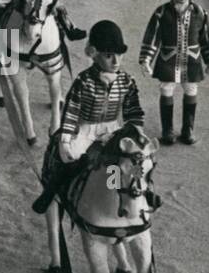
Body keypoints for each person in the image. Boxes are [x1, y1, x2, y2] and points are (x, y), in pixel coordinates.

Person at [31, 20, 144, 214]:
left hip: (112, 129)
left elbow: (133, 111)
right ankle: (53, 192)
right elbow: (72, 111)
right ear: (94, 54)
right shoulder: (83, 81)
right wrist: (65, 139)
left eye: (119, 55)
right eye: (109, 56)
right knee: (71, 159)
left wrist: (137, 133)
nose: (116, 62)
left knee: (128, 161)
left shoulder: (127, 81)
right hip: (85, 129)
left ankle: (121, 195)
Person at [139, 0, 209, 145]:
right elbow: (152, 37)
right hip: (168, 60)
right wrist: (146, 60)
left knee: (191, 90)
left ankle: (187, 129)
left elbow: (207, 39)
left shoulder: (200, 13)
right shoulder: (160, 13)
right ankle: (167, 130)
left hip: (192, 61)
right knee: (166, 90)